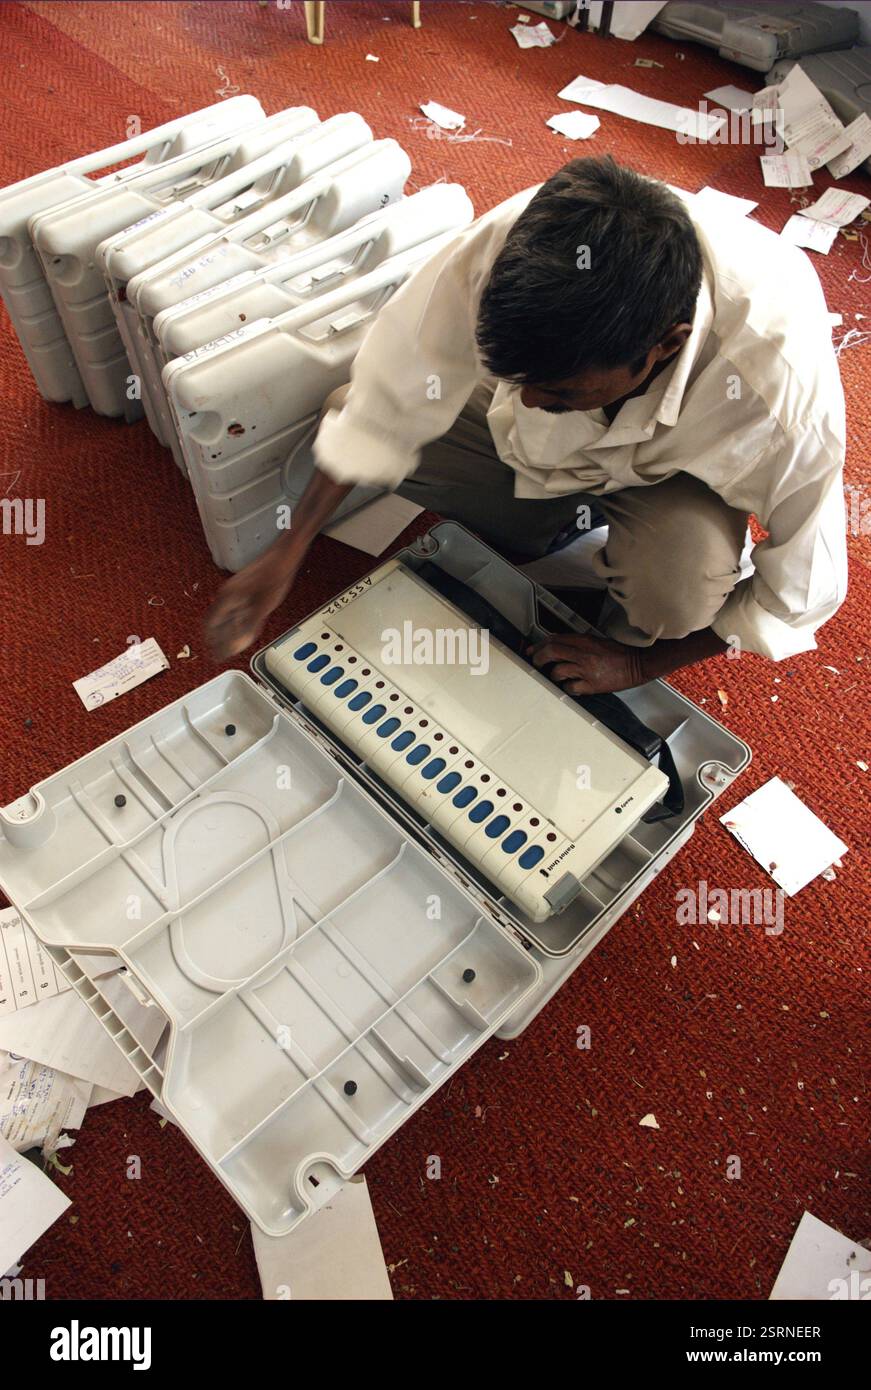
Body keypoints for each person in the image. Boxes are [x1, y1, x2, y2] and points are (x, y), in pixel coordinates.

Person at [204, 156, 847, 695]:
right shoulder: (515, 244)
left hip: (672, 475)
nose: (534, 402)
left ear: (667, 345)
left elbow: (801, 590)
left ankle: (600, 567)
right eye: (524, 380)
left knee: (674, 595)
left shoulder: (777, 383)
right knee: (347, 412)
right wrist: (287, 553)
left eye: (562, 389)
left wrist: (636, 665)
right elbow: (384, 403)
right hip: (557, 440)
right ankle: (550, 517)